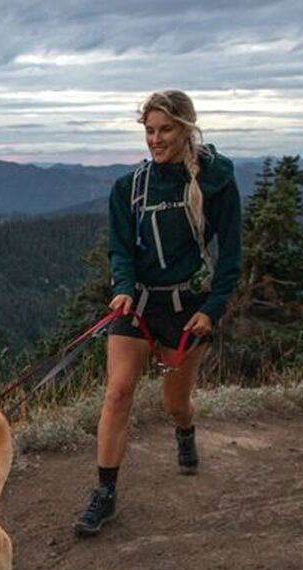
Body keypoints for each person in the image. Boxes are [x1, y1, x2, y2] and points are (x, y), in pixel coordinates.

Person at [74, 90, 242, 537]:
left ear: (186, 128)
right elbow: (120, 249)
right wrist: (123, 289)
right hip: (139, 305)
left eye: (165, 129)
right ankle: (105, 493)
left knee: (175, 403)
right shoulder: (128, 187)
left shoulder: (216, 180)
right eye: (149, 130)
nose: (155, 139)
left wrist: (212, 308)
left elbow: (231, 255)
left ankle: (185, 431)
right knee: (118, 393)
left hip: (187, 309)